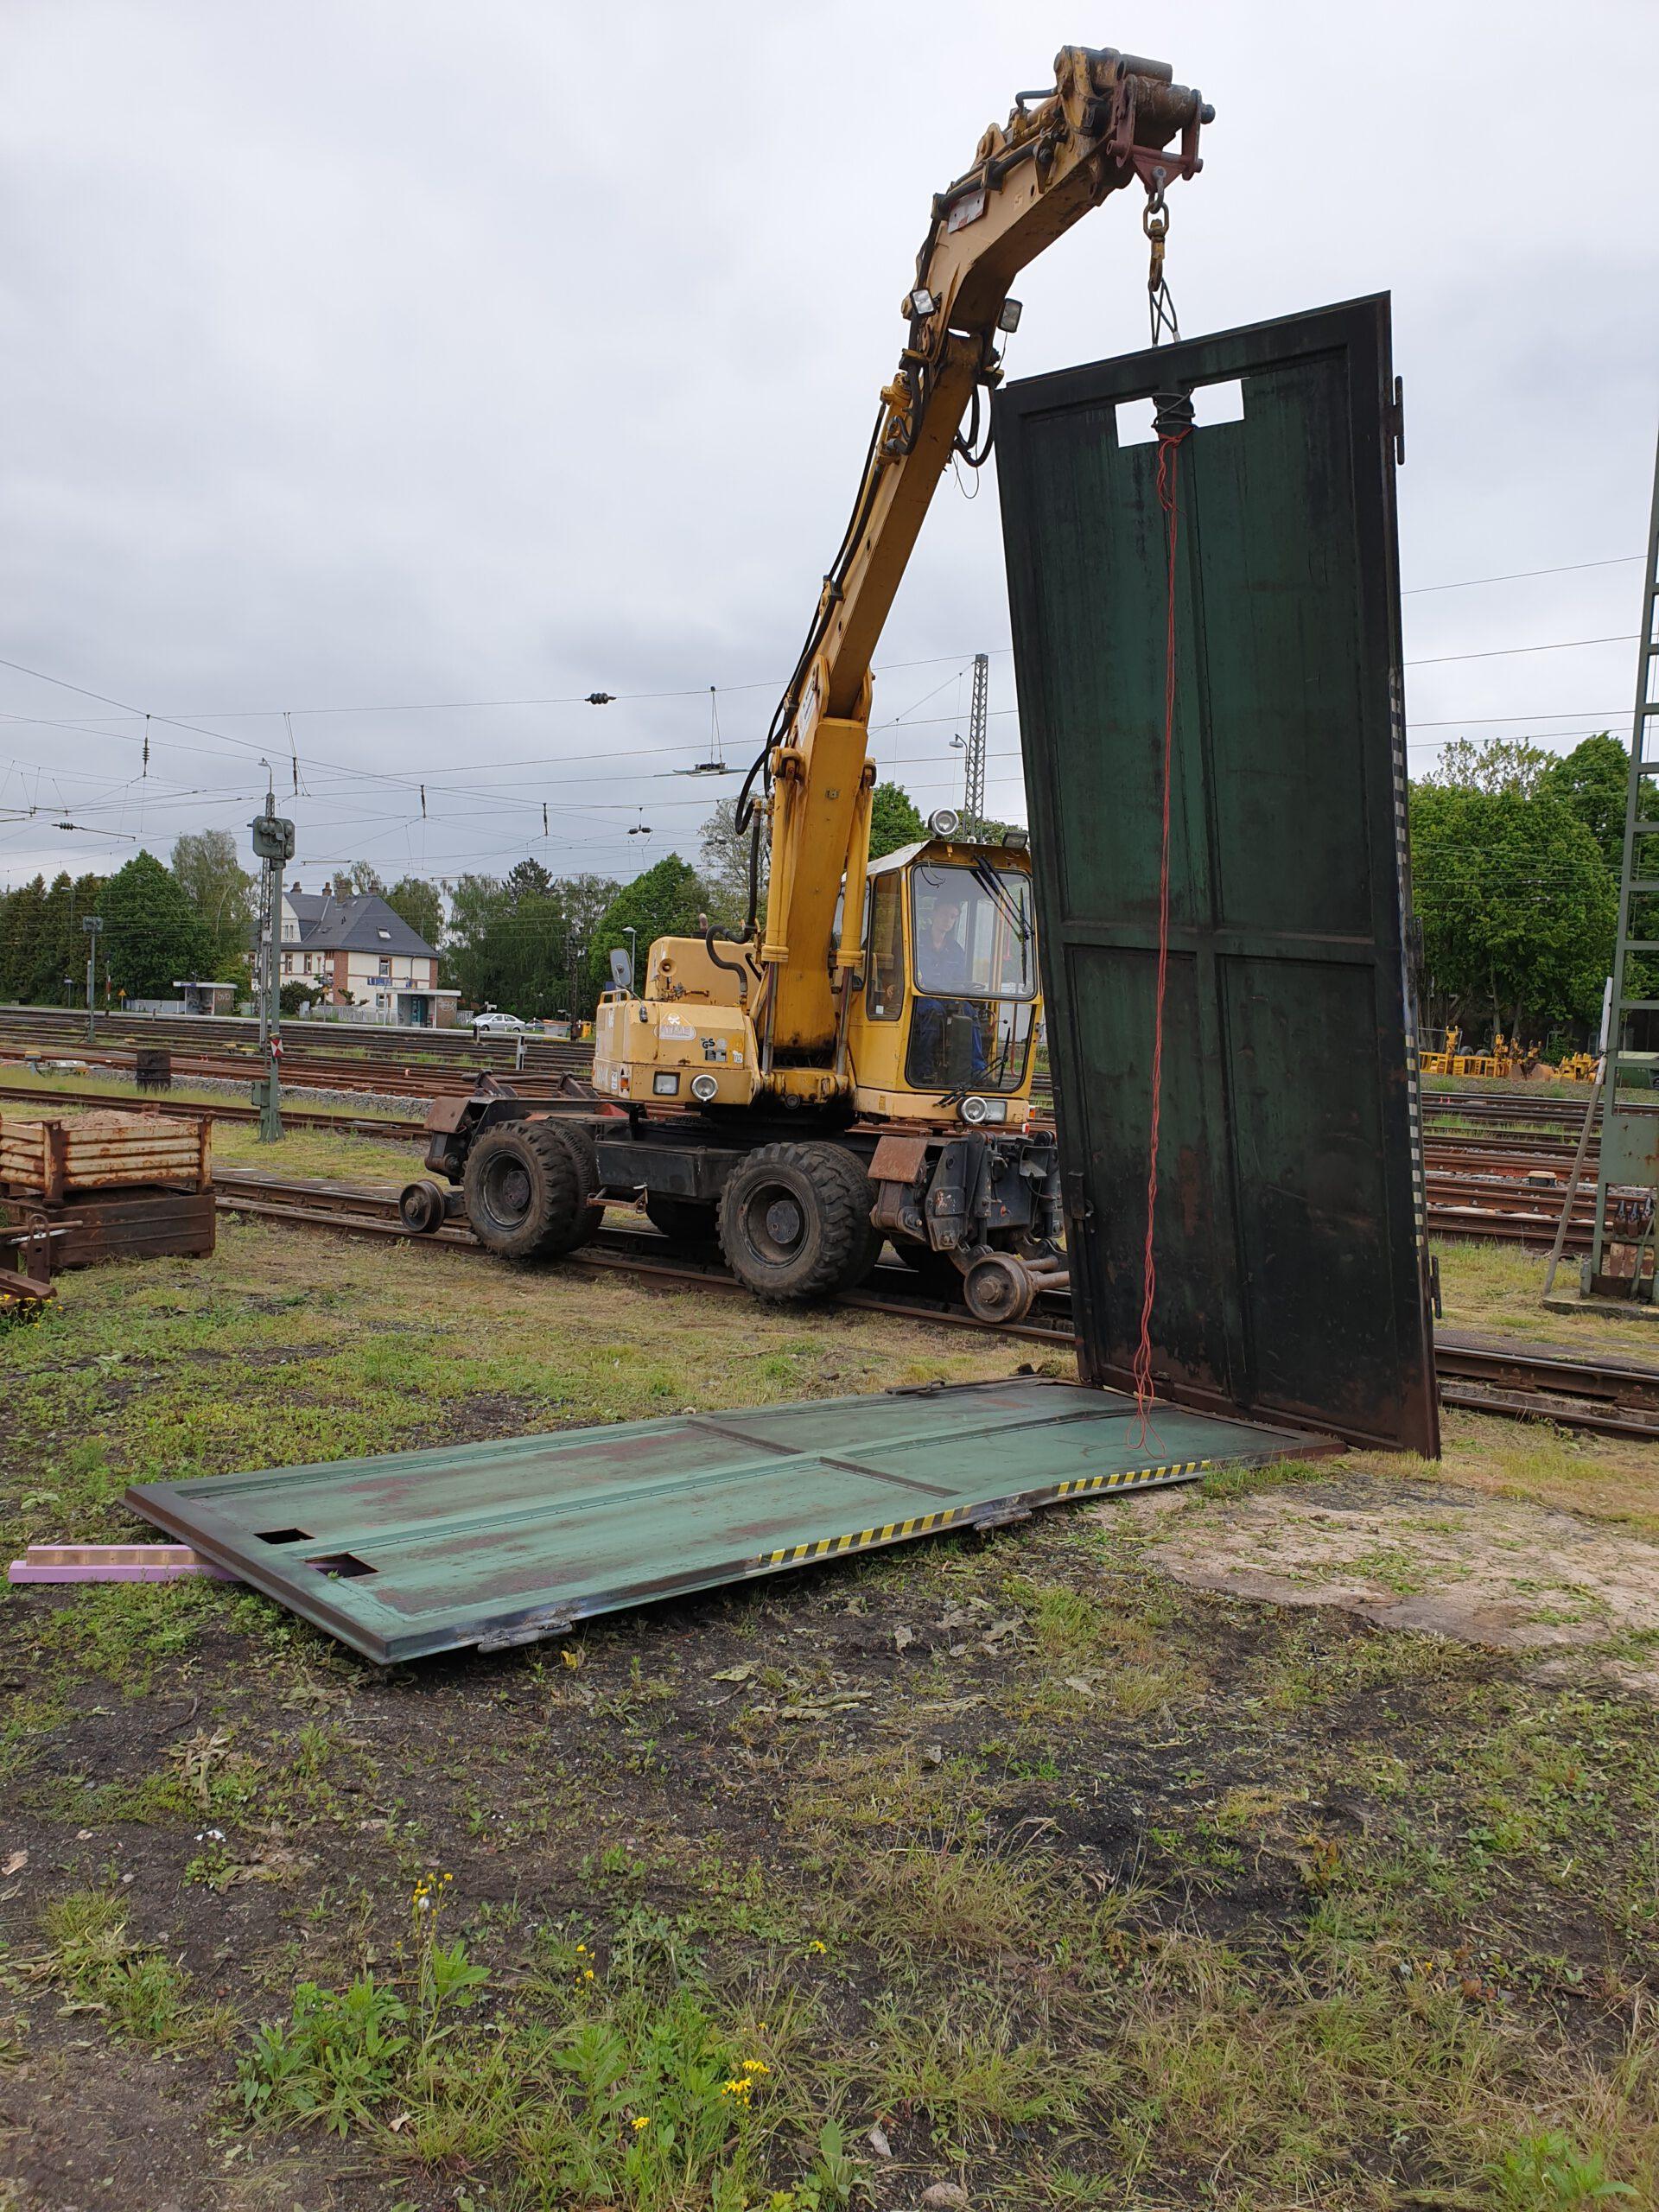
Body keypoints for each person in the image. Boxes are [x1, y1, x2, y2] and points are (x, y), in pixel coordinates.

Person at [910, 887, 986, 1083]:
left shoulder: (955, 950)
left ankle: (978, 1071)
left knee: (969, 1012)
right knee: (933, 1011)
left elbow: (960, 980)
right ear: (935, 913)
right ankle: (924, 1069)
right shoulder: (915, 943)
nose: (948, 920)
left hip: (947, 997)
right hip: (920, 997)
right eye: (945, 914)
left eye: (953, 916)